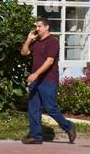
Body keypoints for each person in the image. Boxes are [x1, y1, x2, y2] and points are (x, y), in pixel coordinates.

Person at [21, 17, 76, 145]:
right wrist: (29, 39)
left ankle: (68, 126)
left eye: (39, 26)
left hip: (48, 81)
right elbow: (24, 52)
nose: (37, 29)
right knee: (33, 108)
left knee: (50, 108)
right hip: (36, 82)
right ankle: (36, 136)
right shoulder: (36, 42)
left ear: (47, 27)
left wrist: (35, 74)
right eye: (36, 26)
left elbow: (50, 61)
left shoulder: (53, 42)